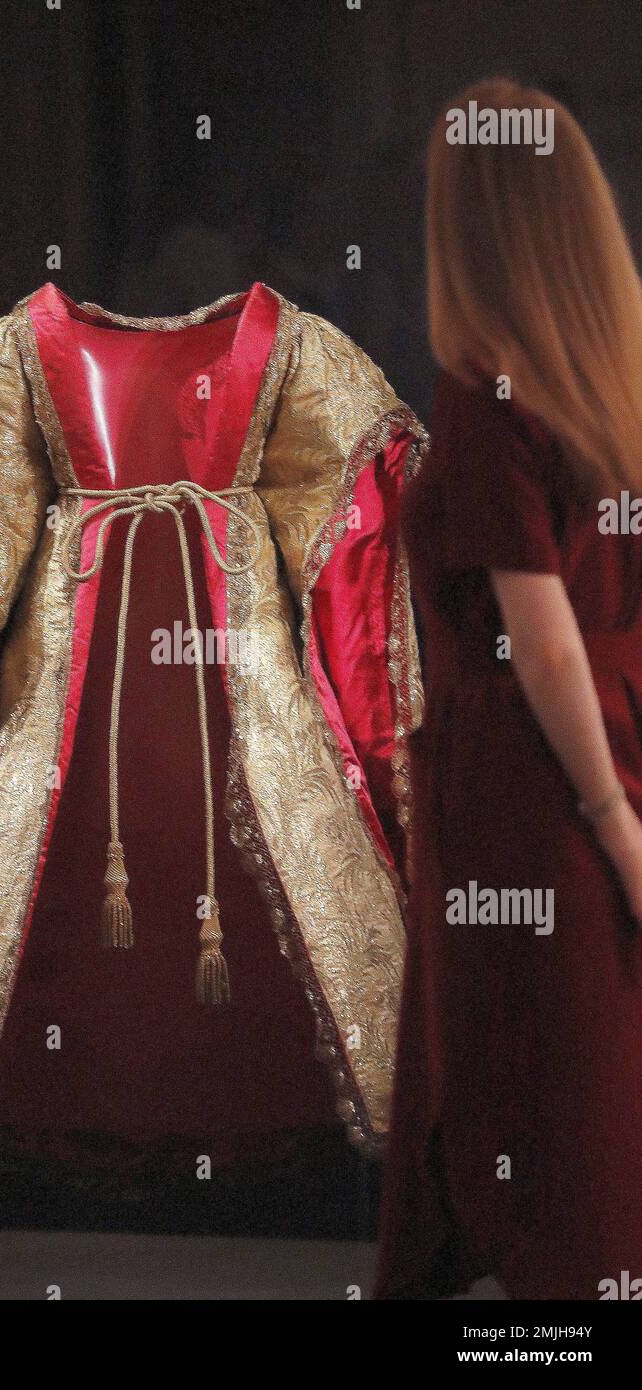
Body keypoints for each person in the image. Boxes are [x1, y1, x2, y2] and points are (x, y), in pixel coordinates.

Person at [377, 77, 642, 1300]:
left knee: (530, 1114)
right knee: (586, 1108)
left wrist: (608, 819)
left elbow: (540, 646)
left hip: (531, 795)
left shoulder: (485, 394)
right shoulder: (610, 390)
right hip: (605, 753)